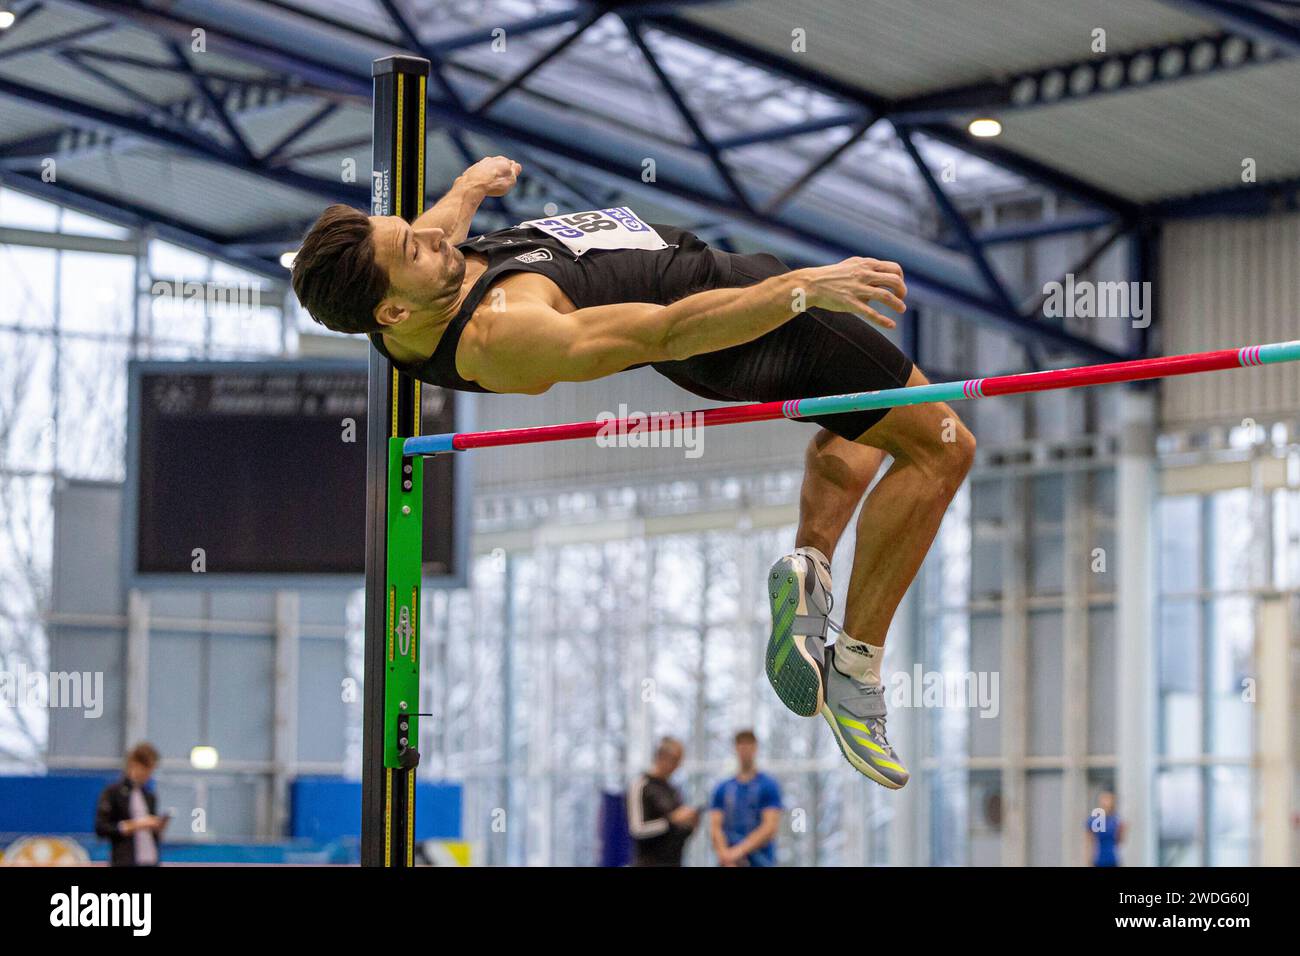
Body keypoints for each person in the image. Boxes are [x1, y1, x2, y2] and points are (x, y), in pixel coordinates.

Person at [291, 156, 977, 789]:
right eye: (413, 246)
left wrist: (469, 188)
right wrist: (800, 289)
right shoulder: (504, 334)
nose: (434, 240)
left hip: (712, 285)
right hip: (729, 320)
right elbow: (670, 333)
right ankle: (856, 676)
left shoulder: (402, 304)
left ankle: (811, 577)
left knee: (864, 423)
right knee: (944, 446)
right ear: (393, 310)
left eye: (415, 231)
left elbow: (428, 235)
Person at [709, 730, 782, 867]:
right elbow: (715, 827)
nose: (745, 750)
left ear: (755, 748)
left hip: (761, 861)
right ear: (735, 748)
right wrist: (726, 856)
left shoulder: (768, 786)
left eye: (749, 745)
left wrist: (738, 852)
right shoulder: (722, 788)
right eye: (741, 746)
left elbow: (770, 827)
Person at [94, 742, 168, 867]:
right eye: (147, 769)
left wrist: (157, 827)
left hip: (150, 861)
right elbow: (101, 828)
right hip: (125, 861)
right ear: (134, 765)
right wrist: (134, 825)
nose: (149, 775)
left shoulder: (149, 795)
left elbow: (154, 835)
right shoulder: (113, 792)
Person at [627, 737, 698, 866]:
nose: (678, 766)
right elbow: (637, 829)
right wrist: (671, 821)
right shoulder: (641, 785)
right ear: (662, 757)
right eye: (675, 760)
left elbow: (677, 835)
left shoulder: (673, 790)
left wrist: (690, 825)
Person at [1085, 790, 1125, 867]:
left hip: (1113, 859)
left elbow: (1118, 842)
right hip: (1098, 860)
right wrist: (1088, 860)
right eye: (1104, 799)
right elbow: (1088, 843)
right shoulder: (1094, 820)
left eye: (1108, 799)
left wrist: (1122, 831)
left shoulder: (1115, 820)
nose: (1106, 802)